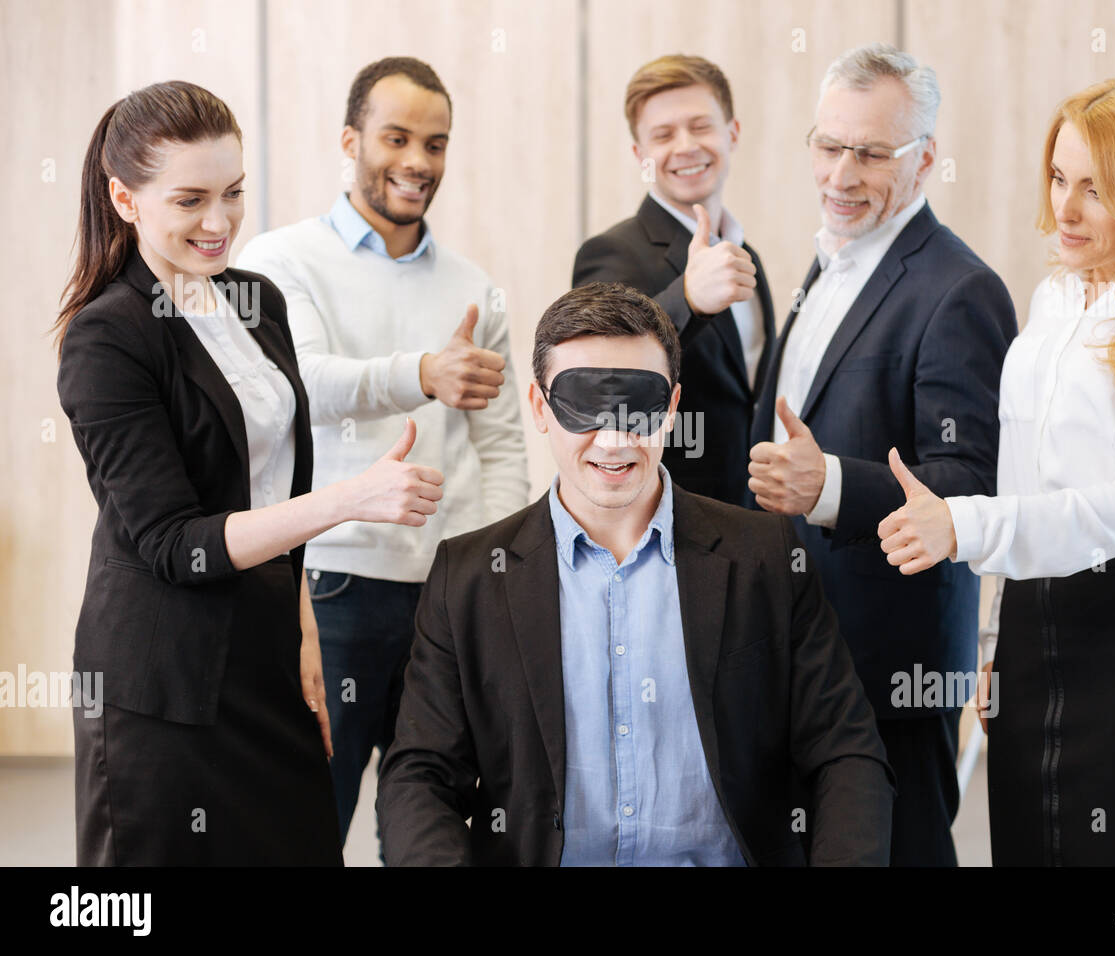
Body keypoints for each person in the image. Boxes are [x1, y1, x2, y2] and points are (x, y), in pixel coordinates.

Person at [55, 80, 445, 866]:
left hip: (267, 651)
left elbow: (271, 484)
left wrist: (302, 629)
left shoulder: (254, 299)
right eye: (191, 199)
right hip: (162, 680)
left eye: (234, 193)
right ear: (125, 200)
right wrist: (353, 499)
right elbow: (175, 544)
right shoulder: (106, 340)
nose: (220, 222)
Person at [878, 76, 1115, 866]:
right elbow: (1025, 476)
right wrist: (995, 641)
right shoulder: (1054, 298)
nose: (1066, 209)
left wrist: (965, 525)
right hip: (1030, 638)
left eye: (1098, 189)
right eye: (1059, 179)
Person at [377, 282, 895, 866]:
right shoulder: (468, 578)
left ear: (672, 407)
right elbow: (420, 778)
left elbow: (846, 753)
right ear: (540, 407)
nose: (615, 440)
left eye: (637, 408)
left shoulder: (766, 559)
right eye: (582, 406)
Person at [238, 56, 528, 849]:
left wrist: (495, 570)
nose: (417, 161)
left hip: (447, 595)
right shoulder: (278, 261)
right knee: (310, 812)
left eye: (435, 144)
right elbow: (301, 386)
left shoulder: (475, 285)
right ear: (349, 140)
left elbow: (502, 444)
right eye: (396, 137)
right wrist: (424, 373)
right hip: (332, 589)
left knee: (431, 819)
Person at [746, 44, 1016, 865]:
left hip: (893, 670)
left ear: (926, 158)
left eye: (869, 152)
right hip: (797, 647)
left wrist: (827, 483)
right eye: (828, 145)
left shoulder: (961, 290)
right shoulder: (827, 261)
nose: (840, 172)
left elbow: (965, 484)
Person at [572, 54, 775, 505]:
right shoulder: (609, 253)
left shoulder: (746, 255)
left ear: (732, 133)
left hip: (753, 520)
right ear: (640, 156)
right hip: (665, 520)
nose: (685, 146)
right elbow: (602, 383)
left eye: (701, 126)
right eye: (662, 135)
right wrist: (687, 299)